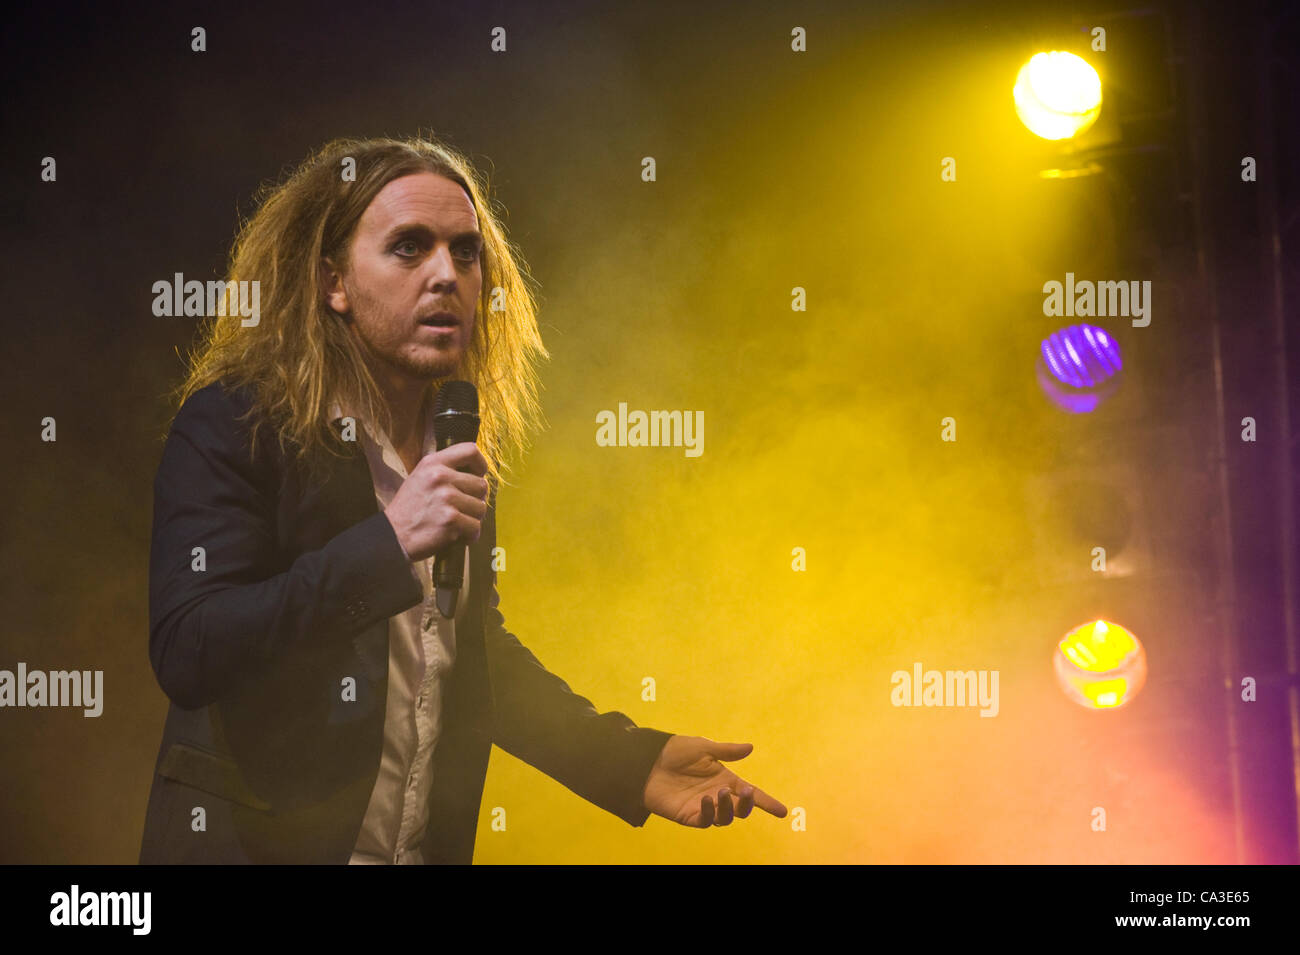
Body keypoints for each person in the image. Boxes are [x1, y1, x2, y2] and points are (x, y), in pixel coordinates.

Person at [138, 134, 786, 864]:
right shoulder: (236, 423)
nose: (447, 274)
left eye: (466, 252)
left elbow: (467, 653)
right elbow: (191, 648)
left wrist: (628, 761)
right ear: (333, 283)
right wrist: (387, 542)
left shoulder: (456, 439)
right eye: (410, 248)